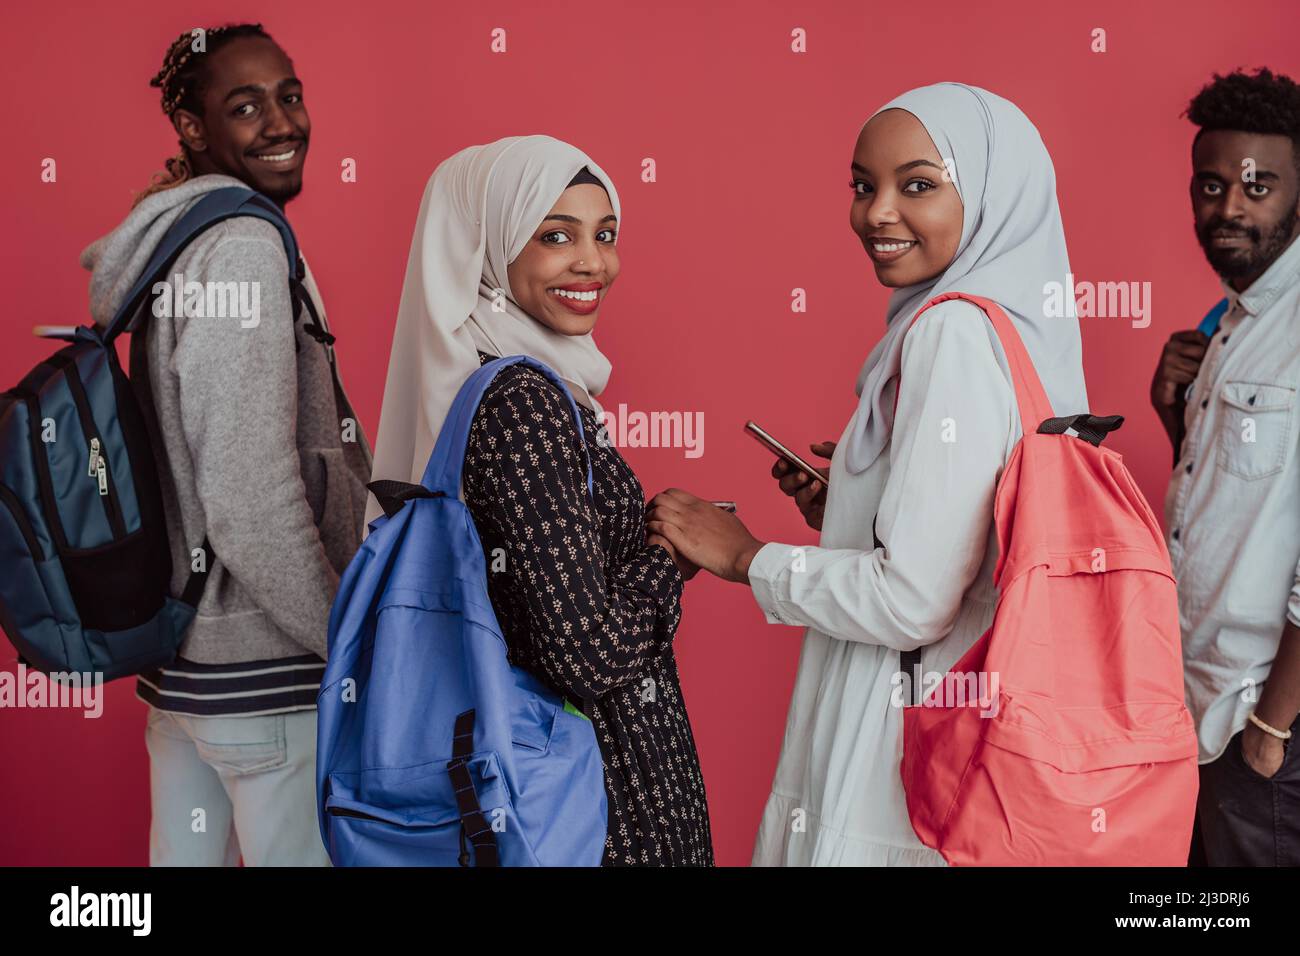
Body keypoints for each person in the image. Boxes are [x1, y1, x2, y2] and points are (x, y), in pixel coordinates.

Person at [647, 83, 1089, 865]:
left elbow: (914, 602)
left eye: (917, 184)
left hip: (905, 734)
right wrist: (854, 512)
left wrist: (745, 558)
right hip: (973, 729)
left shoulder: (950, 332)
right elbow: (978, 541)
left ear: (987, 192)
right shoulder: (1018, 324)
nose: (877, 212)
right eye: (863, 186)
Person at [368, 135, 713, 865]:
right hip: (599, 803)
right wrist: (669, 554)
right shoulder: (524, 403)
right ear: (486, 251)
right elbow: (585, 653)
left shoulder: (504, 387)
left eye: (605, 234)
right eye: (556, 236)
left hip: (577, 788)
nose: (593, 262)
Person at [80, 23, 372, 865]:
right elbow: (246, 491)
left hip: (189, 675)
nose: (282, 122)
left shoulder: (179, 241)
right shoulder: (239, 247)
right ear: (194, 129)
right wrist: (348, 634)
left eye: (290, 95)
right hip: (266, 677)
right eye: (246, 107)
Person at [1150, 67, 1300, 866]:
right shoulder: (1230, 325)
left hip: (1270, 724)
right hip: (1202, 711)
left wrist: (1273, 730)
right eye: (1210, 185)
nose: (1230, 207)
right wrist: (1174, 420)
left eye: (1257, 185)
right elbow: (1234, 511)